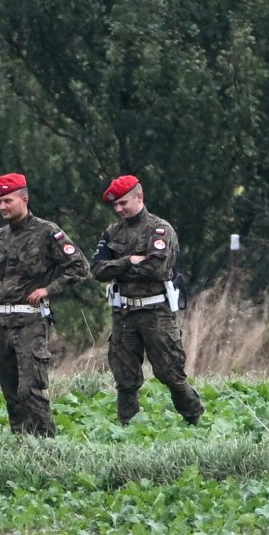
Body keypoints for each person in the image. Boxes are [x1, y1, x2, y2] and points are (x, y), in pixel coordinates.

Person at [0, 173, 91, 437]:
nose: (2, 207)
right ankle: (21, 446)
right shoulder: (0, 235)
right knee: (10, 393)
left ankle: (48, 444)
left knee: (31, 390)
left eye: (8, 201)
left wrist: (48, 290)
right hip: (1, 323)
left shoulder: (48, 232)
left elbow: (78, 267)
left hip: (30, 323)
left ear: (24, 199)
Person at [91, 175, 204, 426]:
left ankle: (193, 416)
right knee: (125, 377)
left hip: (156, 313)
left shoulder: (159, 229)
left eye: (123, 203)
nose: (119, 209)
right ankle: (126, 424)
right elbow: (97, 270)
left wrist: (117, 268)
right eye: (115, 205)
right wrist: (129, 260)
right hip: (123, 314)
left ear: (139, 197)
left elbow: (155, 268)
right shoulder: (112, 232)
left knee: (170, 373)